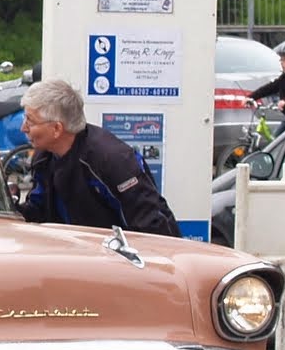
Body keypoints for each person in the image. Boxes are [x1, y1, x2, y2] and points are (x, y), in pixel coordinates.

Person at [16, 78, 179, 237]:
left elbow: (150, 224)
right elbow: (39, 211)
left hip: (119, 256)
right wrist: (11, 206)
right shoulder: (44, 158)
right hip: (73, 253)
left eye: (30, 121)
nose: (23, 128)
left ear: (57, 129)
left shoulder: (112, 160)